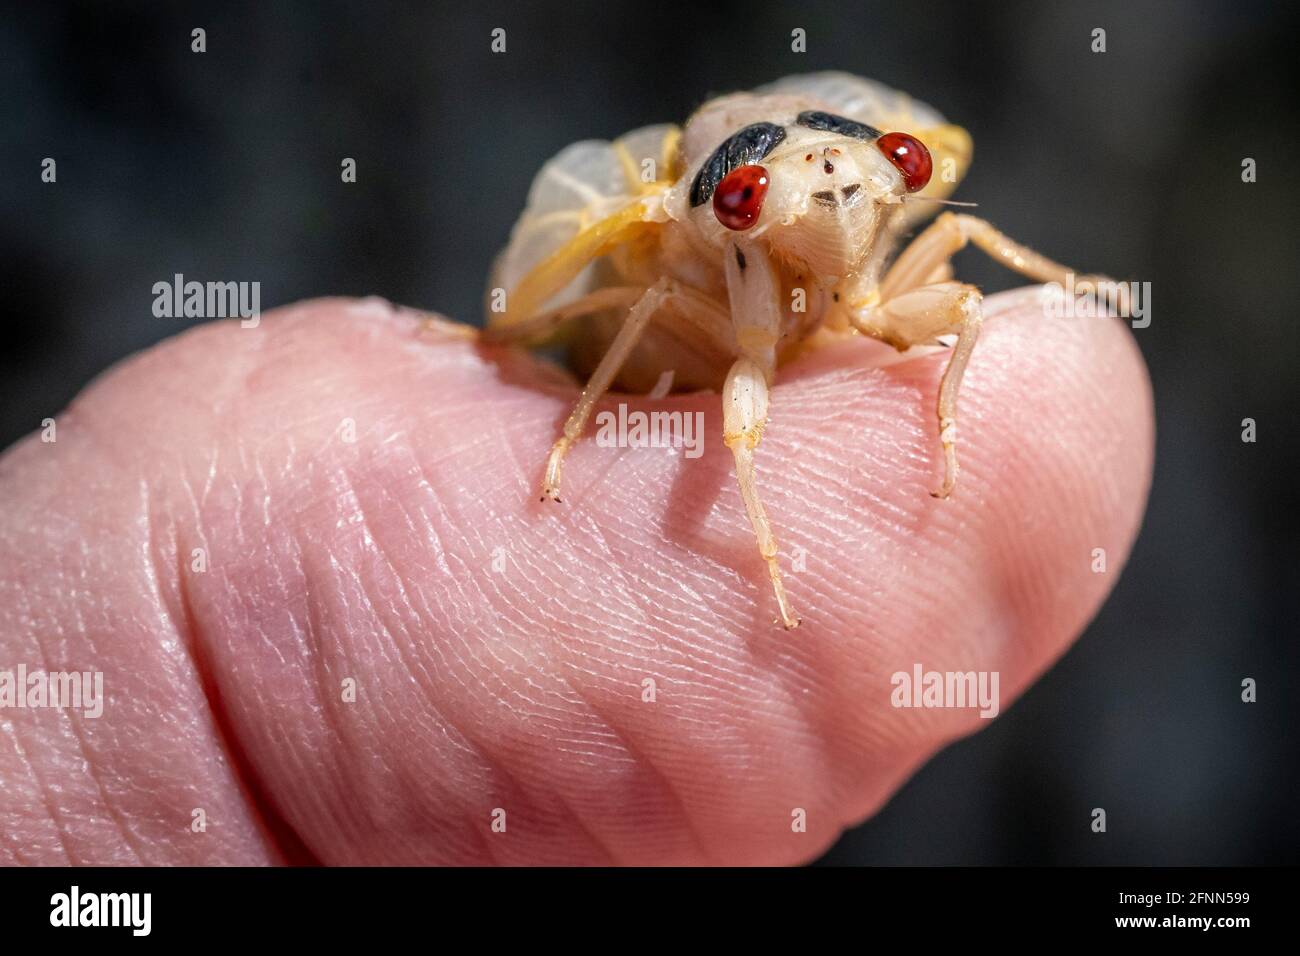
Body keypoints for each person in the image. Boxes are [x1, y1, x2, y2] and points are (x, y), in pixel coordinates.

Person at [0, 292, 1153, 865]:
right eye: (763, 198)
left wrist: (947, 437)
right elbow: (642, 298)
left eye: (884, 176)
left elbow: (961, 294)